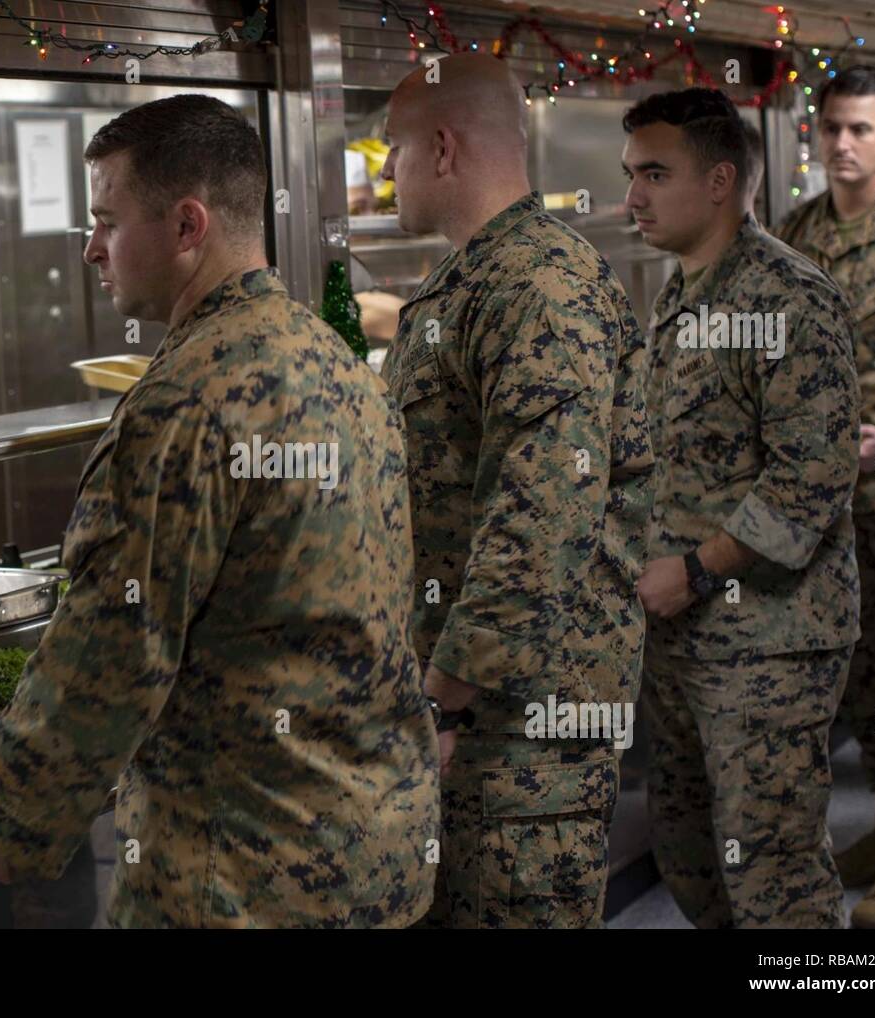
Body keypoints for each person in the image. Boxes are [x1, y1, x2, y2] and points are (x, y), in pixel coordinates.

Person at [0, 94, 439, 928]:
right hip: (378, 855)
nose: (90, 249)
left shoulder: (185, 402)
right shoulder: (336, 363)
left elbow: (109, 656)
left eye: (108, 222)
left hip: (240, 881)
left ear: (187, 226)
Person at [378, 53, 654, 929]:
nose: (388, 172)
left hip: (523, 728)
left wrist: (443, 692)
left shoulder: (538, 286)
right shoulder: (471, 281)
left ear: (445, 148)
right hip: (469, 714)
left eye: (395, 150)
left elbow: (541, 519)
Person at [625, 87, 861, 928]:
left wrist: (692, 571)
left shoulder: (790, 297)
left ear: (720, 181)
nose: (632, 198)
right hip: (682, 641)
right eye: (630, 175)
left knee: (774, 876)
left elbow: (813, 476)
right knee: (691, 858)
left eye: (656, 173)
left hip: (770, 639)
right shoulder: (679, 296)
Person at [776, 66, 875, 928]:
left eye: (860, 130)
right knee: (860, 672)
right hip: (831, 508)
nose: (842, 144)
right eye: (832, 128)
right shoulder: (801, 229)